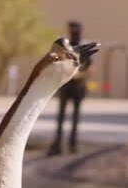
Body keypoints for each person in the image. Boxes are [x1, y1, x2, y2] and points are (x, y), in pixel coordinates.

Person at [49, 20, 91, 155]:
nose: (73, 32)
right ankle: (57, 144)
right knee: (61, 116)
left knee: (75, 116)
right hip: (65, 85)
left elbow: (90, 67)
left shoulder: (84, 47)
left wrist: (78, 75)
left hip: (79, 86)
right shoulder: (65, 47)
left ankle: (73, 144)